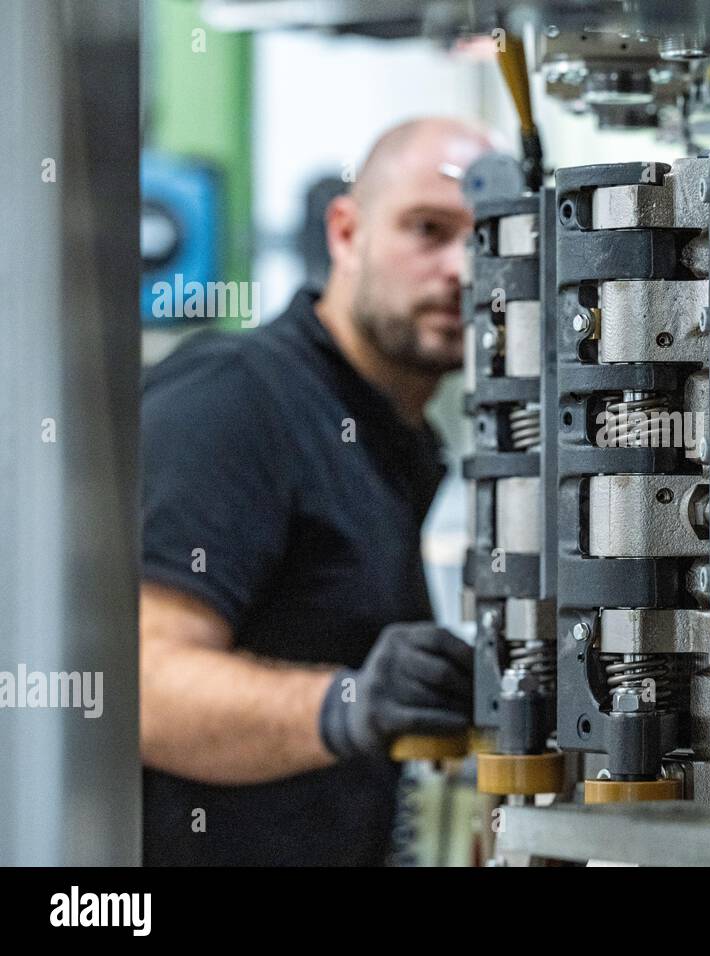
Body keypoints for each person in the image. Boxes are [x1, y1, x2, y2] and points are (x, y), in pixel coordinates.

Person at [139, 117, 490, 865]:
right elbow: (142, 684)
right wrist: (350, 706)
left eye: (488, 238)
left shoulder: (405, 442)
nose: (462, 268)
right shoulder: (235, 402)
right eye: (428, 229)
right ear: (344, 231)